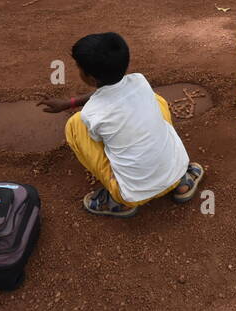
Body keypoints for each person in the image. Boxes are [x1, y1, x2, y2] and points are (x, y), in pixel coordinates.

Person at [39, 32, 206, 217]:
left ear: (91, 78)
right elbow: (108, 90)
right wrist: (70, 102)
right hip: (177, 170)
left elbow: (98, 137)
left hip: (132, 195)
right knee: (157, 101)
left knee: (74, 125)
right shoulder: (140, 80)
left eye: (79, 68)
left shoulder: (91, 113)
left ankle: (119, 202)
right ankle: (183, 182)